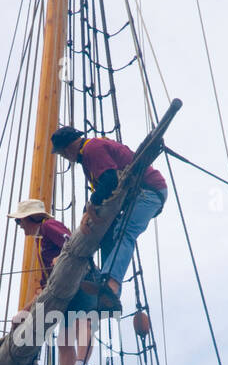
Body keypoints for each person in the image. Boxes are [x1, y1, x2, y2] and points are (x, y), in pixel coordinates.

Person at [50, 126, 168, 305]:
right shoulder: (89, 154)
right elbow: (102, 189)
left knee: (124, 232)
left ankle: (111, 284)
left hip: (149, 191)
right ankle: (108, 293)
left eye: (62, 152)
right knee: (110, 234)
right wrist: (86, 212)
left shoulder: (92, 149)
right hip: (141, 194)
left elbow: (110, 181)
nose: (64, 155)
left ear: (68, 146)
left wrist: (89, 208)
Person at [7, 197, 97, 365]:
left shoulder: (48, 226)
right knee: (65, 339)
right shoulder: (39, 241)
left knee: (83, 322)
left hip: (82, 280)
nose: (19, 227)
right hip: (64, 290)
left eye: (20, 222)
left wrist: (62, 257)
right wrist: (26, 310)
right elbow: (46, 284)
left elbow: (72, 241)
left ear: (30, 219)